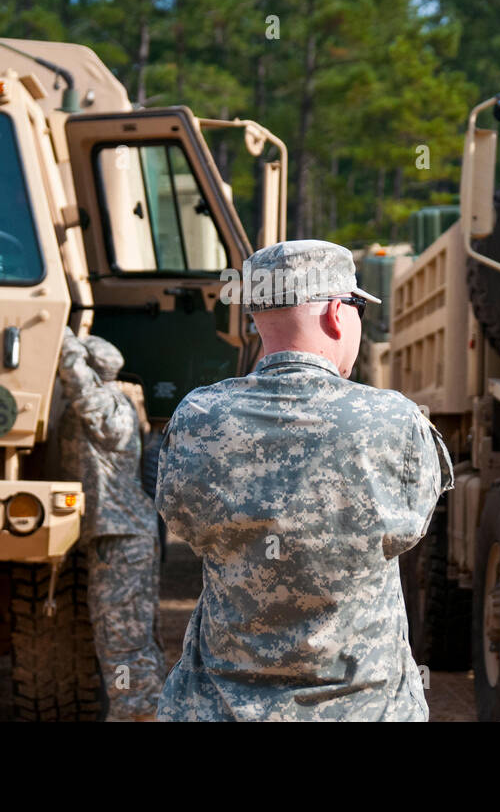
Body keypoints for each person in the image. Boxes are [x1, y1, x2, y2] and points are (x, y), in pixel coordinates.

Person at [155, 239, 454, 722]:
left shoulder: (198, 418)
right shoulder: (393, 421)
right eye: (358, 306)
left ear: (256, 316)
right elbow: (409, 530)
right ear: (338, 312)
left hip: (219, 708)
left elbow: (184, 524)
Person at [57, 328, 165, 721]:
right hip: (124, 533)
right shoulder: (120, 403)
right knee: (133, 634)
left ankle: (135, 714)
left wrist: (58, 326)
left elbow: (73, 371)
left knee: (123, 639)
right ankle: (145, 710)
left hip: (122, 536)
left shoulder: (105, 403)